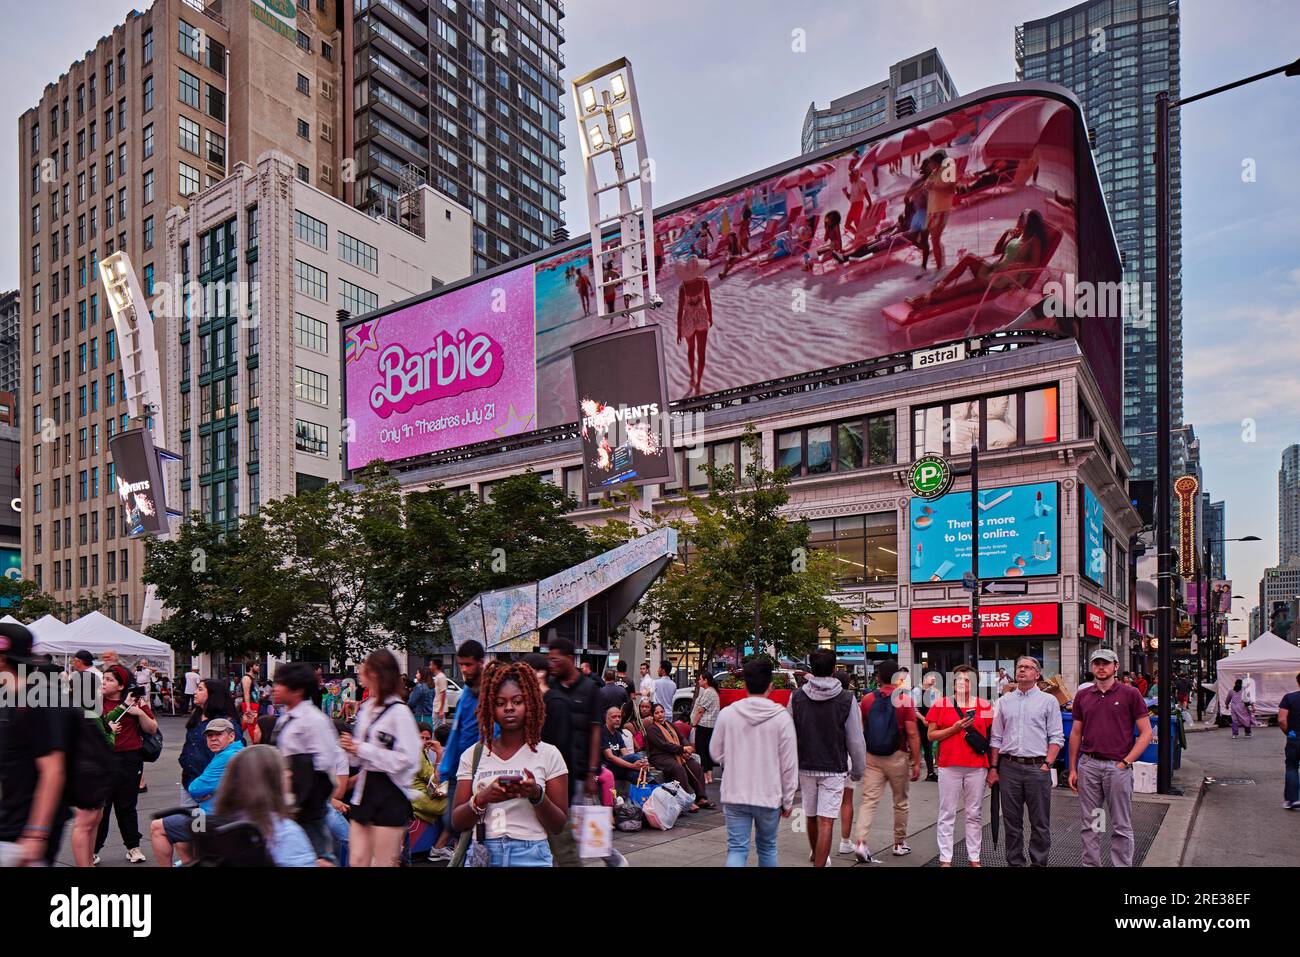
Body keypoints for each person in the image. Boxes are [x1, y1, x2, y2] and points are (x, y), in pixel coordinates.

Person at [452, 661, 569, 867]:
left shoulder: (549, 754)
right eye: (500, 703)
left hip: (532, 854)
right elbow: (457, 821)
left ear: (530, 703)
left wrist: (536, 794)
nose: (509, 708)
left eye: (517, 701)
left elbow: (559, 824)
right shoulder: (474, 755)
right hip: (484, 853)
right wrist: (481, 798)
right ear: (490, 706)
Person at [543, 636, 627, 867]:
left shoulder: (590, 688)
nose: (551, 665)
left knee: (578, 826)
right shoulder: (551, 687)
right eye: (548, 660)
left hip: (580, 771)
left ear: (570, 659)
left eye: (555, 660)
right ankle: (605, 858)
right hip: (555, 770)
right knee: (570, 826)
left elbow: (595, 731)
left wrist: (592, 772)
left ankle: (608, 858)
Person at [709, 658, 799, 867]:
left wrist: (734, 760)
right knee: (767, 848)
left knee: (737, 849)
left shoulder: (728, 714)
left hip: (735, 793)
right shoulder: (781, 718)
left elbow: (715, 752)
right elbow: (789, 764)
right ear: (771, 686)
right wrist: (788, 799)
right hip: (769, 796)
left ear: (745, 684)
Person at [1068, 649, 1153, 867]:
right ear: (1092, 667)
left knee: (1120, 825)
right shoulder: (1083, 696)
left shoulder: (1130, 694)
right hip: (1090, 767)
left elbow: (1146, 733)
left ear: (1115, 666)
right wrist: (1073, 768)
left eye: (1106, 663)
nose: (1101, 667)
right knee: (1093, 822)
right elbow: (1076, 733)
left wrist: (1126, 762)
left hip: (1117, 769)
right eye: (1096, 663)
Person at [340, 650, 422, 867]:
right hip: (365, 790)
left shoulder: (400, 713)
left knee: (383, 862)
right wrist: (351, 750)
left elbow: (409, 759)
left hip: (390, 791)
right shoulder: (367, 708)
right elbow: (360, 757)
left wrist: (363, 749)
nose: (359, 671)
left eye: (364, 666)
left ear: (375, 673)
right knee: (357, 860)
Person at [789, 649, 866, 867]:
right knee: (827, 821)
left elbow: (788, 735)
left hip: (805, 765)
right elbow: (855, 740)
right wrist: (858, 769)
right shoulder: (846, 698)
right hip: (834, 766)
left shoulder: (796, 697)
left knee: (811, 815)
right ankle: (820, 863)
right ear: (834, 669)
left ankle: (816, 854)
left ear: (811, 668)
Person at [0, 623, 68, 867]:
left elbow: (53, 771)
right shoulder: (9, 700)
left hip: (22, 834)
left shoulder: (37, 702)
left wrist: (35, 833)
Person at [989, 655, 1064, 867]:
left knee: (1040, 823)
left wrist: (1047, 764)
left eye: (1028, 667)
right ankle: (1015, 863)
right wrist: (994, 768)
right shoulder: (1004, 702)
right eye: (1019, 666)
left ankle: (1038, 863)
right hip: (1009, 768)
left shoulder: (1048, 701)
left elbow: (1057, 737)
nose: (1022, 670)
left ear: (1037, 674)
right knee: (1012, 824)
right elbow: (996, 738)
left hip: (1037, 768)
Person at [270, 662, 346, 865]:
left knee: (321, 854)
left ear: (297, 690)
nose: (275, 688)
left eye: (280, 684)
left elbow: (324, 763)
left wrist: (302, 799)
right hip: (288, 802)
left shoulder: (313, 720)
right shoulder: (286, 718)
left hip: (307, 804)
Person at [905, 208, 1050, 309]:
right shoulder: (1019, 236)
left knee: (963, 289)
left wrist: (1018, 267)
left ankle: (925, 300)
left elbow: (1035, 264)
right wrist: (1006, 234)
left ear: (1027, 222)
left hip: (1004, 278)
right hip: (996, 269)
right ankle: (941, 284)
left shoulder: (1034, 240)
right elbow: (998, 251)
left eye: (1021, 217)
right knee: (969, 258)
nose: (1018, 219)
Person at [853, 658, 921, 863]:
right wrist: (916, 761)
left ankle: (861, 841)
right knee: (900, 802)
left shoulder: (867, 700)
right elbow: (912, 732)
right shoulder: (904, 699)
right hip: (897, 756)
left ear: (878, 677)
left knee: (869, 801)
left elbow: (863, 729)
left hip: (872, 756)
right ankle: (899, 844)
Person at [151, 718, 244, 866]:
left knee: (158, 826)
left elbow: (195, 788)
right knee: (182, 832)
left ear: (231, 736)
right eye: (209, 735)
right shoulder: (238, 752)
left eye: (218, 734)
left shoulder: (226, 757)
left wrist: (203, 792)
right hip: (220, 815)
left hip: (213, 818)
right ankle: (190, 862)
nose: (213, 739)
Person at [926, 665, 992, 867]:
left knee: (974, 813)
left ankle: (975, 857)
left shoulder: (985, 706)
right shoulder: (941, 704)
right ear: (953, 682)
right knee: (947, 812)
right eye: (959, 679)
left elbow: (991, 737)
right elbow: (931, 735)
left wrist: (993, 767)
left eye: (968, 679)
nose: (963, 682)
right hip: (949, 764)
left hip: (977, 766)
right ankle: (945, 858)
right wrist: (954, 729)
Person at [211, 745, 318, 866]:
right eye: (283, 769)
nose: (289, 773)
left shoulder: (223, 826)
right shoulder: (285, 833)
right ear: (271, 779)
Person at [94, 663, 157, 864]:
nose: (104, 683)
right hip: (102, 760)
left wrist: (139, 713)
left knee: (127, 806)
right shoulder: (96, 702)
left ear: (121, 686)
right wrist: (107, 728)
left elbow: (152, 729)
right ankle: (93, 849)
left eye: (109, 680)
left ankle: (133, 847)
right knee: (101, 807)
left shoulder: (135, 702)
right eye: (103, 679)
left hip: (130, 758)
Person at [438, 642, 485, 847]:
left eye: (468, 664)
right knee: (452, 821)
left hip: (480, 771)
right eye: (461, 665)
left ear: (481, 662)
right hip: (459, 769)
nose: (464, 669)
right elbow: (456, 730)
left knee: (466, 826)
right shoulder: (466, 692)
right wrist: (445, 766)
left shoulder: (492, 693)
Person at [646, 702, 714, 810]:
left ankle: (701, 798)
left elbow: (681, 738)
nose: (660, 715)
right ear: (653, 716)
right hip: (660, 756)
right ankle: (686, 801)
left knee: (695, 766)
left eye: (662, 712)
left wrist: (687, 748)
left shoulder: (670, 725)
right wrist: (682, 749)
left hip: (676, 754)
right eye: (657, 713)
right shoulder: (652, 729)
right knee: (678, 769)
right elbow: (664, 745)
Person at [179, 678, 239, 790]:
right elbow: (189, 744)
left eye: (200, 689)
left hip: (212, 784)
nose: (195, 692)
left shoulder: (226, 722)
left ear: (212, 694)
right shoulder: (196, 716)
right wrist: (184, 760)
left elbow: (235, 753)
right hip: (189, 780)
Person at [412, 722, 452, 861]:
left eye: (427, 738)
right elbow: (435, 781)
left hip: (423, 794)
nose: (424, 742)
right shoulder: (418, 753)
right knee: (458, 807)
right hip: (419, 798)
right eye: (420, 738)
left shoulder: (420, 751)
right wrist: (439, 754)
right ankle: (439, 848)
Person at [676, 257, 714, 396]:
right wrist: (710, 316)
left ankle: (693, 375)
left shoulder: (683, 287)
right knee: (701, 352)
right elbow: (708, 301)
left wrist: (678, 329)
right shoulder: (703, 282)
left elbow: (680, 310)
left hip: (688, 320)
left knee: (691, 349)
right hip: (702, 316)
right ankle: (698, 383)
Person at [601, 706, 647, 794]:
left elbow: (626, 755)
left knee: (637, 775)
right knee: (635, 758)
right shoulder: (602, 732)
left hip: (618, 768)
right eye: (614, 717)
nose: (618, 719)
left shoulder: (618, 734)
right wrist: (632, 766)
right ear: (607, 719)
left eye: (619, 716)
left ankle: (651, 790)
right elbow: (610, 757)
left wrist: (641, 764)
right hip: (607, 767)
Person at [692, 672, 721, 785]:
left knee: (701, 750)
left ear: (706, 680)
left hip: (704, 725)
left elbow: (700, 710)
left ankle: (705, 775)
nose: (698, 681)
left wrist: (694, 723)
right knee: (707, 750)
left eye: (700, 679)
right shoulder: (713, 692)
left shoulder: (708, 692)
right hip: (711, 725)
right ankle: (709, 775)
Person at [1279, 672, 1300, 810]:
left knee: (1292, 767)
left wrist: (1289, 732)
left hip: (1295, 736)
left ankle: (1292, 800)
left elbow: (1282, 719)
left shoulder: (1289, 698)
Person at [916, 672, 939, 782]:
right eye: (931, 677)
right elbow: (913, 708)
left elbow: (936, 707)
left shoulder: (934, 692)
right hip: (918, 723)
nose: (934, 679)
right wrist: (922, 719)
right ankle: (913, 770)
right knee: (916, 747)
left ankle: (930, 772)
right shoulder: (916, 691)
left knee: (928, 748)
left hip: (929, 723)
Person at [234, 663, 261, 743]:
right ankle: (256, 745)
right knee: (252, 725)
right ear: (251, 667)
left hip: (253, 704)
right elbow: (246, 693)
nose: (258, 667)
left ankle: (233, 739)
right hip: (250, 704)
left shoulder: (252, 678)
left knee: (246, 724)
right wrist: (248, 707)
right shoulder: (246, 678)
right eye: (256, 665)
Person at [427, 657, 449, 727]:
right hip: (437, 706)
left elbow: (443, 693)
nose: (429, 667)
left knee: (438, 728)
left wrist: (441, 709)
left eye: (431, 665)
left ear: (435, 666)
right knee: (438, 727)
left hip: (438, 708)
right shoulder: (438, 677)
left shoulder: (441, 677)